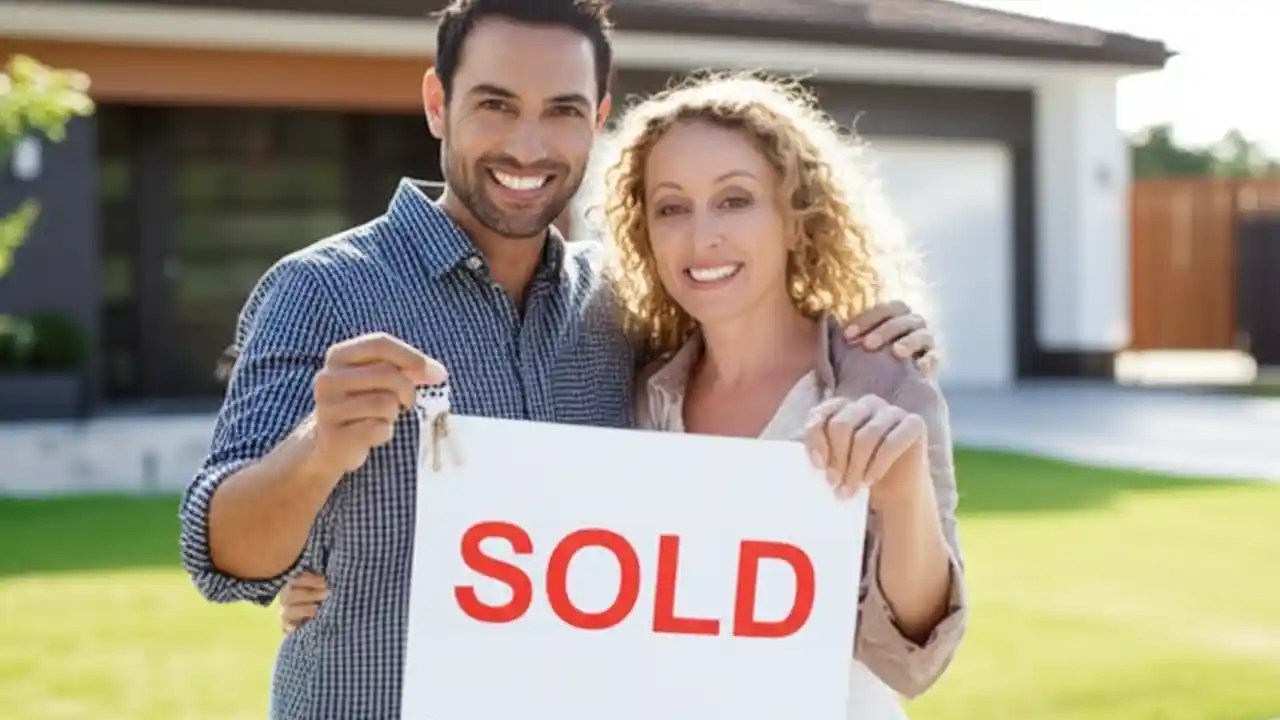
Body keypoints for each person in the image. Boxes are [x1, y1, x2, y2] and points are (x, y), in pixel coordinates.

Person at [181, 1, 941, 718]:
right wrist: (318, 452)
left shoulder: (621, 310)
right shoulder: (321, 289)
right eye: (495, 104)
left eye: (563, 111)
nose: (529, 145)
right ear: (437, 103)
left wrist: (877, 337)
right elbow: (222, 560)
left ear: (599, 118)